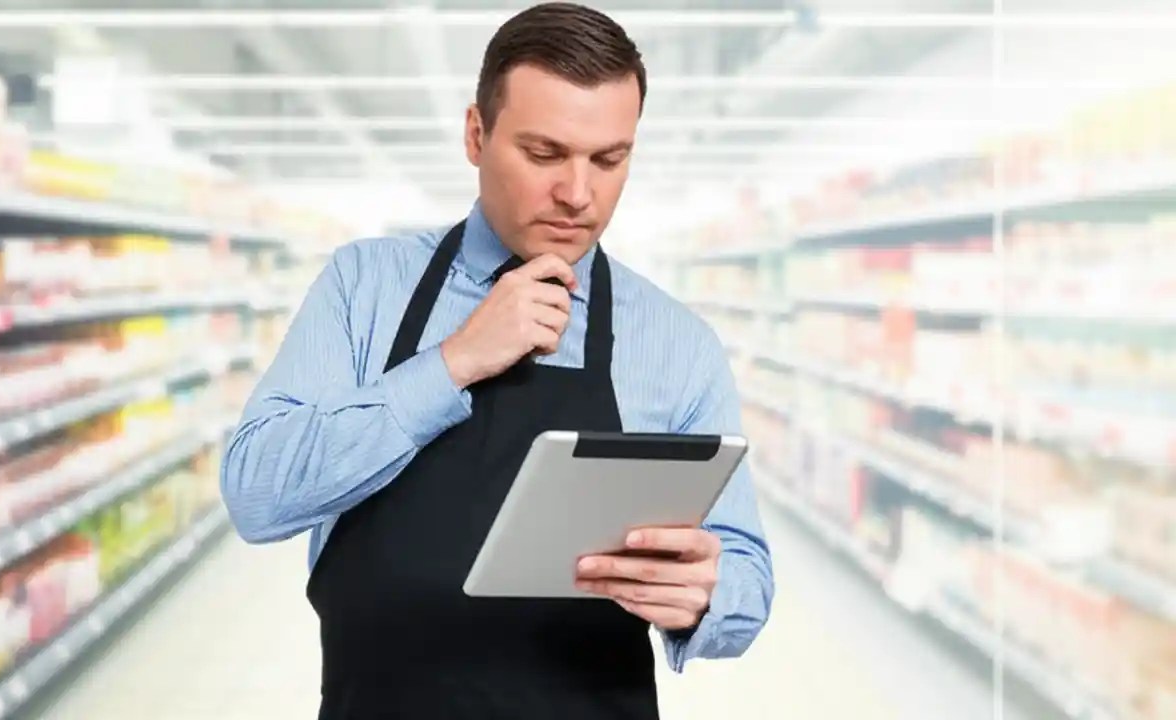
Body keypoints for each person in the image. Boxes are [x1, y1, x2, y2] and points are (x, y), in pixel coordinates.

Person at [220, 3, 774, 718]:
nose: (578, 194)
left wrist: (704, 595)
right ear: (476, 135)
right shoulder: (363, 287)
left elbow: (747, 582)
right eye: (544, 154)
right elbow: (255, 496)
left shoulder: (674, 343)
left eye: (609, 159)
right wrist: (451, 363)